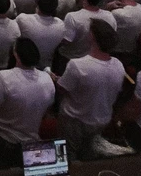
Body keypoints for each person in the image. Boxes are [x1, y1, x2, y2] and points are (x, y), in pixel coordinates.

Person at [54, 20, 125, 157]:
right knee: (89, 153)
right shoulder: (119, 65)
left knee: (68, 153)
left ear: (92, 37)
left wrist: (56, 79)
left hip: (75, 119)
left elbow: (63, 89)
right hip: (101, 119)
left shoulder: (77, 65)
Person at [0, 38, 54, 162]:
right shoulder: (47, 79)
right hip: (31, 139)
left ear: (16, 55)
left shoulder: (4, 77)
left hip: (4, 137)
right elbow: (46, 111)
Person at [16, 0, 65, 69]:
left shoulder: (23, 19)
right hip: (48, 66)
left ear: (37, 4)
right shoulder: (61, 25)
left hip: (24, 65)